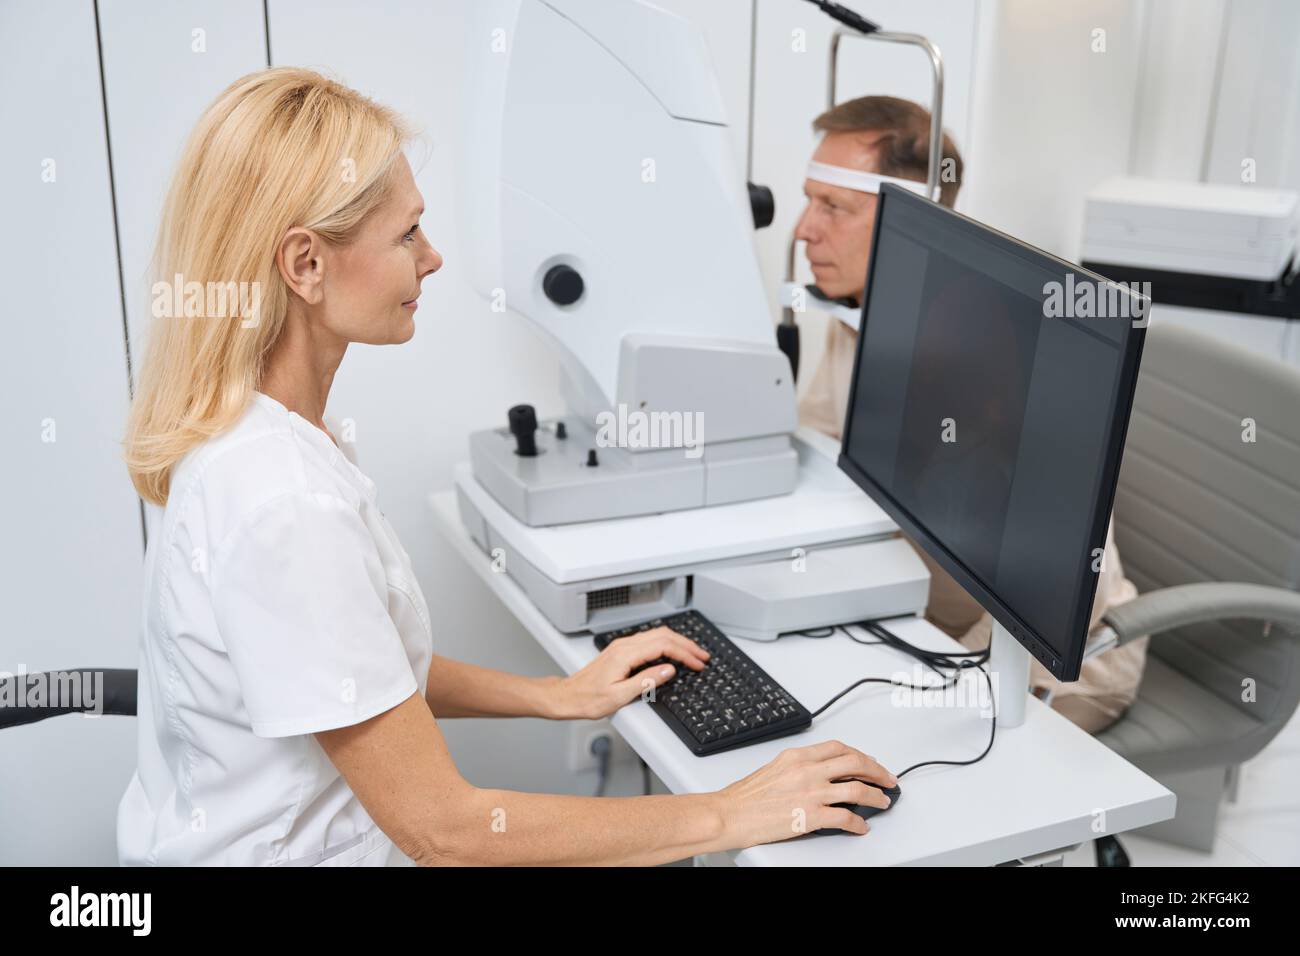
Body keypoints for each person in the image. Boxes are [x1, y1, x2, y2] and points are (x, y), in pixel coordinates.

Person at [117, 68, 896, 867]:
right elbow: (447, 831)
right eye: (407, 234)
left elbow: (365, 673)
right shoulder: (283, 502)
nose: (434, 257)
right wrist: (729, 815)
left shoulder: (263, 436)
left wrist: (558, 696)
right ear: (305, 265)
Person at [793, 95, 1149, 735]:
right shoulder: (861, 309)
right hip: (915, 618)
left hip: (1046, 659)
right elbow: (822, 444)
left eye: (833, 207)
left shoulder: (994, 352)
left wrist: (952, 673)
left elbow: (1059, 581)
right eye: (809, 200)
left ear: (912, 214)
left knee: (890, 753)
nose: (802, 229)